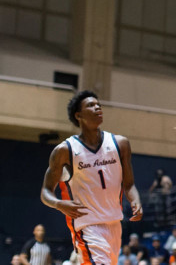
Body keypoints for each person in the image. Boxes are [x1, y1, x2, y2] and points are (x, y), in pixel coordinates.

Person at [40, 90, 143, 265]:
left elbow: (129, 185)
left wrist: (136, 200)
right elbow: (45, 191)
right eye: (90, 105)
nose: (97, 108)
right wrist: (58, 204)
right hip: (87, 227)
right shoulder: (65, 150)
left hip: (114, 224)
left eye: (98, 105)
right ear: (78, 115)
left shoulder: (120, 144)